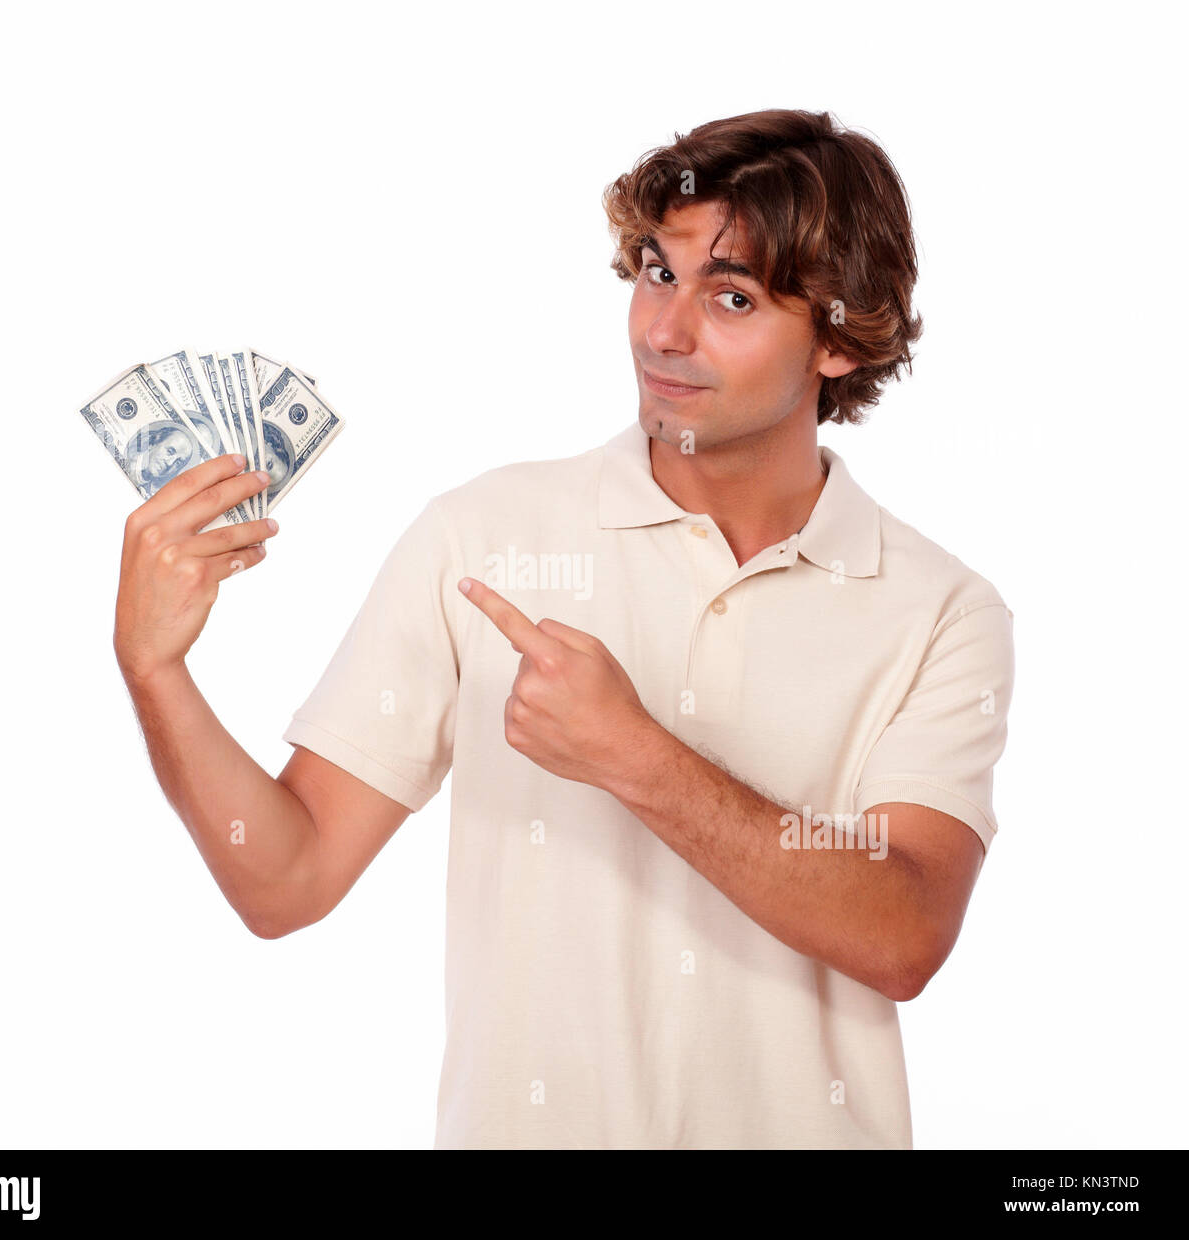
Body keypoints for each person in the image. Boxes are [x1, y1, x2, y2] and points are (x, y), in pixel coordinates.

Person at [112, 109, 1014, 1149]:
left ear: (841, 339)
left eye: (731, 297)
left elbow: (903, 933)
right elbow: (284, 880)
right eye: (656, 272)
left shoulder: (939, 608)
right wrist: (156, 669)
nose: (664, 332)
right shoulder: (481, 535)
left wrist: (634, 755)